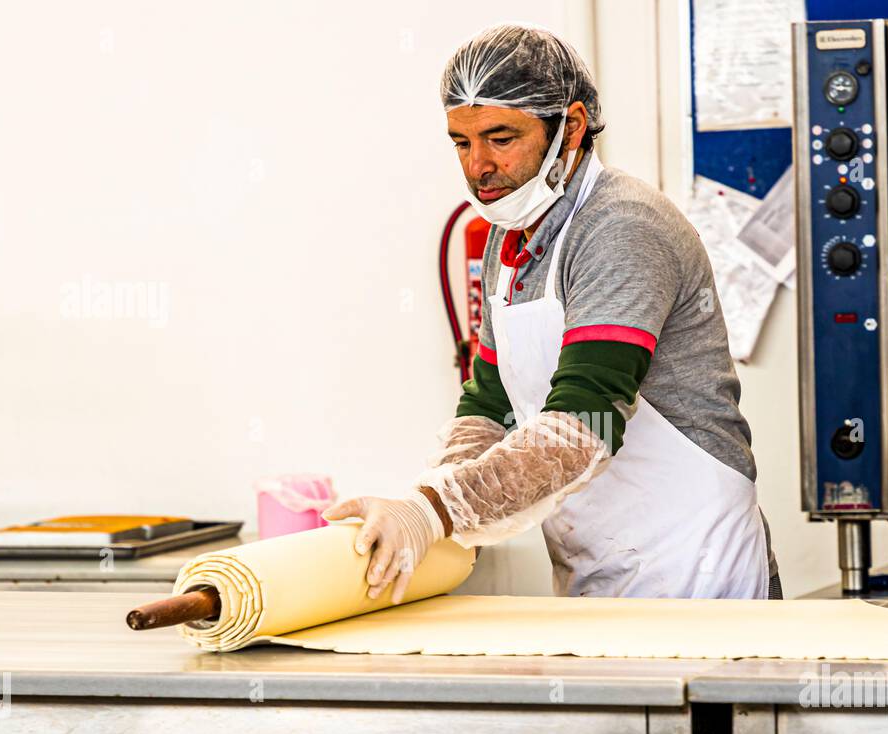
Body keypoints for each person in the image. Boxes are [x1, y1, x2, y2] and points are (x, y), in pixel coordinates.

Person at [324, 24, 781, 603]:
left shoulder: (622, 227)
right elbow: (490, 404)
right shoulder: (507, 237)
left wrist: (434, 511)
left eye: (500, 137)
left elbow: (585, 423)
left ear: (571, 126)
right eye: (462, 143)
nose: (479, 167)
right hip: (594, 563)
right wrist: (436, 503)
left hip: (693, 567)